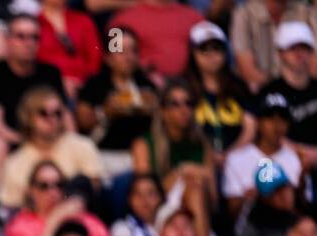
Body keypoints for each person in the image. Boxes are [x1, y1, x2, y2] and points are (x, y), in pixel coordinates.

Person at [0, 13, 66, 184]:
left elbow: (64, 115)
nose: (29, 43)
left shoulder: (51, 73)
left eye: (34, 37)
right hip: (11, 141)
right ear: (8, 40)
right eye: (21, 36)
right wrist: (26, 142)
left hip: (49, 140)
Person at [0, 85, 102, 210]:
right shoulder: (14, 162)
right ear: (28, 117)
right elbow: (10, 208)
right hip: (33, 224)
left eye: (57, 113)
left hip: (79, 221)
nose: (52, 119)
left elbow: (95, 188)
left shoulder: (82, 145)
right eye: (44, 113)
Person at [76, 27, 156, 179]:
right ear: (107, 57)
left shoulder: (146, 86)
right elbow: (82, 122)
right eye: (121, 51)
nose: (128, 57)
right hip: (102, 156)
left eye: (133, 51)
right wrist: (105, 112)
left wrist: (153, 107)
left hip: (139, 157)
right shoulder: (94, 85)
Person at [223, 91, 302, 230]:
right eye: (270, 117)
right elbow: (231, 214)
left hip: (286, 233)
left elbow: (299, 208)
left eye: (282, 118)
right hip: (250, 232)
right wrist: (252, 196)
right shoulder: (236, 159)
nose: (277, 124)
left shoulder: (295, 158)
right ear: (258, 122)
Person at [132, 79, 215, 211]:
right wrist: (182, 172)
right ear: (163, 111)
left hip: (198, 211)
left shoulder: (203, 144)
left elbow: (214, 199)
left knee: (196, 190)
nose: (184, 110)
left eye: (188, 103)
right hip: (160, 213)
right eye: (175, 104)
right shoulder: (144, 145)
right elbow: (146, 199)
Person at [3, 158, 110, 236]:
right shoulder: (20, 227)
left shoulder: (84, 220)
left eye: (59, 185)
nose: (53, 192)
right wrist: (55, 218)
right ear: (31, 191)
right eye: (44, 186)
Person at [184, 20, 253, 158]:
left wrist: (230, 155)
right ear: (192, 53)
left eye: (216, 48)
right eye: (204, 48)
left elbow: (250, 127)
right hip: (196, 158)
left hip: (238, 157)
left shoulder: (239, 86)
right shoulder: (184, 88)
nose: (211, 54)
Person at [258, 21, 317, 170]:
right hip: (284, 165)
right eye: (292, 48)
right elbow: (267, 136)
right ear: (280, 53)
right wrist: (303, 153)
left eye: (304, 47)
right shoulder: (268, 93)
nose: (299, 53)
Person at [230, 0, 317, 91]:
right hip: (259, 94)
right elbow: (247, 69)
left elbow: (315, 65)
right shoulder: (244, 14)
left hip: (303, 91)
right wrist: (275, 92)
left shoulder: (306, 12)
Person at [109, 0, 203, 82]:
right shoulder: (123, 19)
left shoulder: (194, 17)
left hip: (187, 90)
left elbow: (209, 51)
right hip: (142, 89)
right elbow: (112, 58)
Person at [36, 0, 101, 98]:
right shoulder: (34, 23)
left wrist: (84, 83)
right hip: (46, 88)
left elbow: (95, 57)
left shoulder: (83, 21)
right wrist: (59, 83)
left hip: (84, 86)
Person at [109, 172, 164, 236]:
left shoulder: (169, 227)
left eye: (150, 193)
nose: (144, 199)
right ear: (129, 200)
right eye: (138, 194)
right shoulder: (121, 229)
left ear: (160, 197)